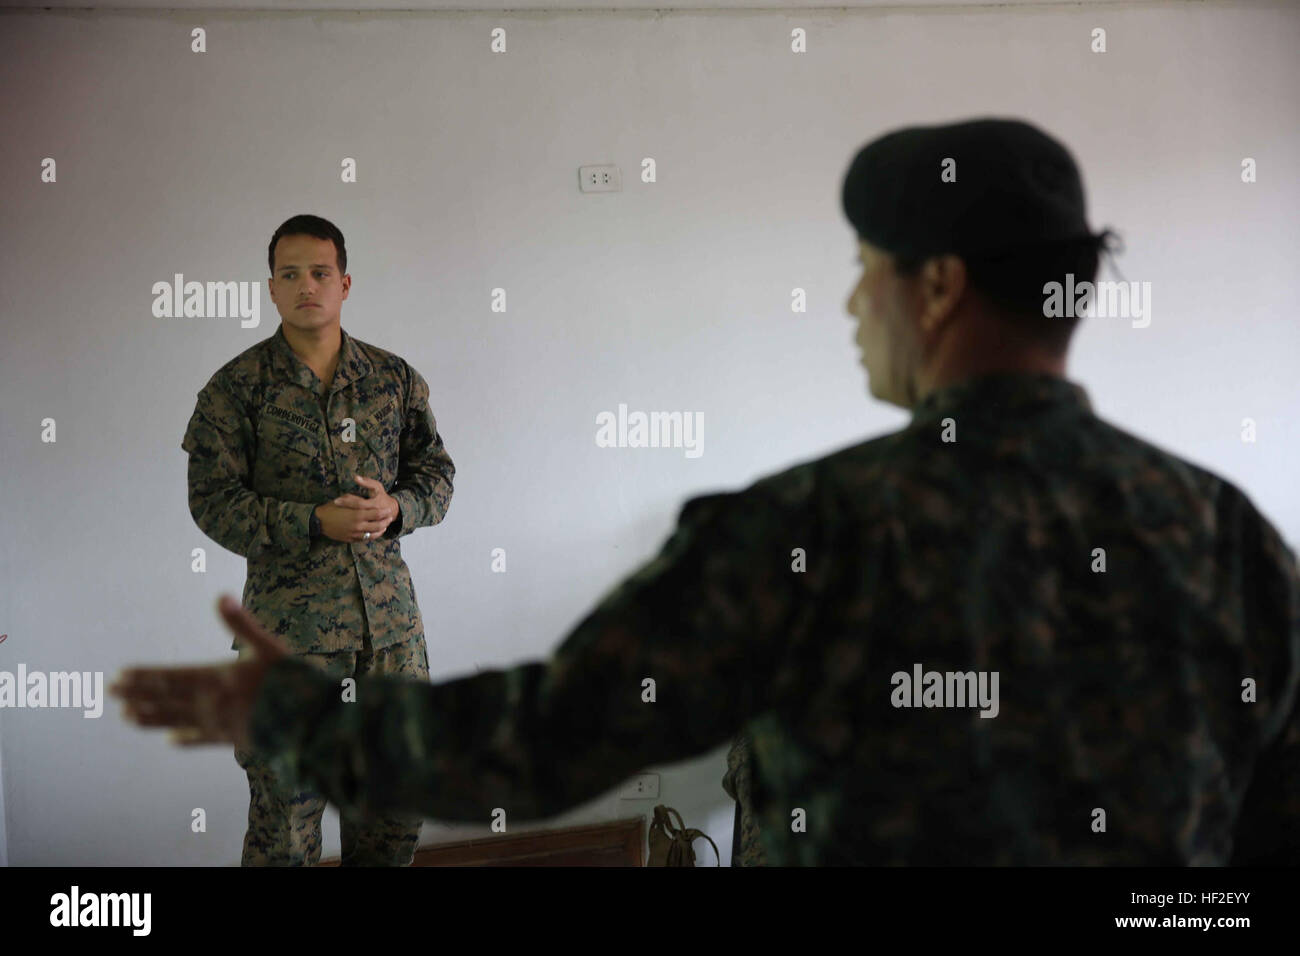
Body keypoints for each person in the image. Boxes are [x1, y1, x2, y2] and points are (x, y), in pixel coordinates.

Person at [119, 118, 1299, 865]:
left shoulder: (803, 530)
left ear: (934, 287)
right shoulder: (1229, 536)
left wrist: (279, 709)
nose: (849, 307)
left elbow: (541, 741)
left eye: (861, 274)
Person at [177, 214, 456, 865]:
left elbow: (438, 475)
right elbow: (212, 502)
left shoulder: (394, 380)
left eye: (320, 272)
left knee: (392, 820)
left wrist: (400, 506)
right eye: (290, 273)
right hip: (288, 646)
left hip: (390, 642)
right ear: (271, 288)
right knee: (285, 832)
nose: (307, 285)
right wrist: (310, 522)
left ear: (345, 283)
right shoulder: (236, 391)